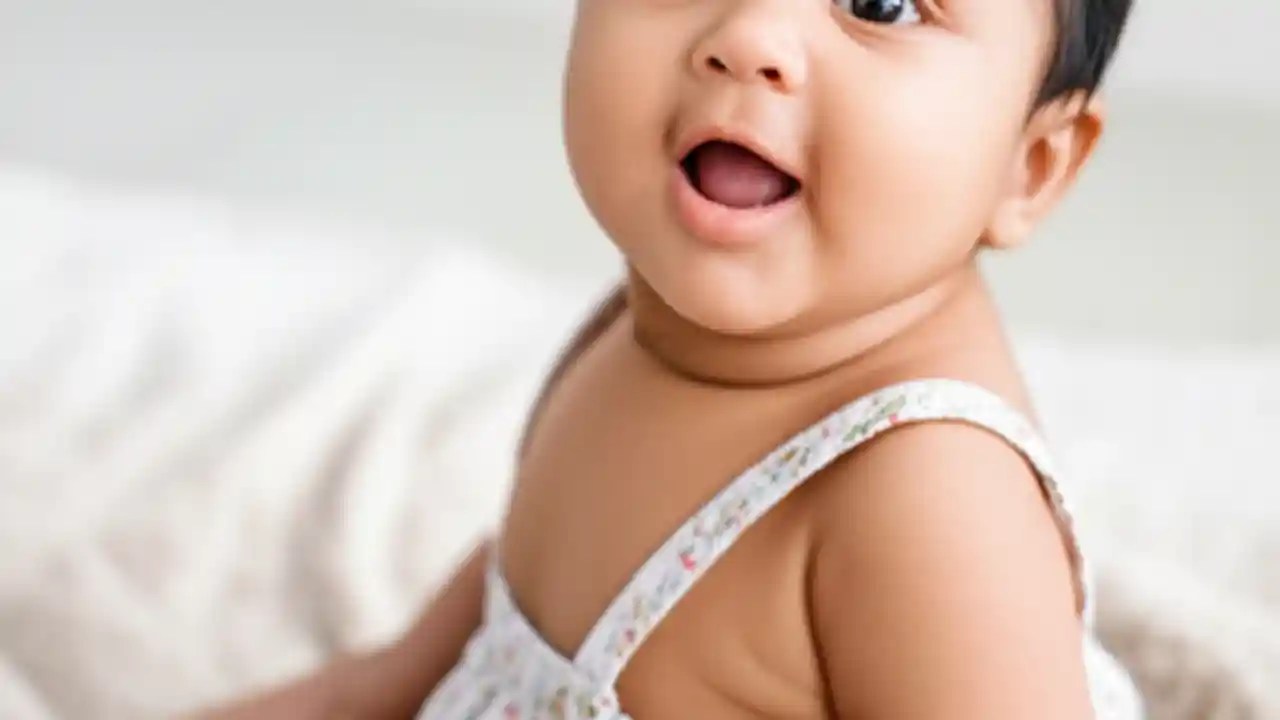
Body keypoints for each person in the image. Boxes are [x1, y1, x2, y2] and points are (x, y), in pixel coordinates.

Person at [203, 0, 1142, 716]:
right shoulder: (635, 324)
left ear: (1034, 164)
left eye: (880, 1)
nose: (750, 37)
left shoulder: (927, 500)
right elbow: (438, 660)